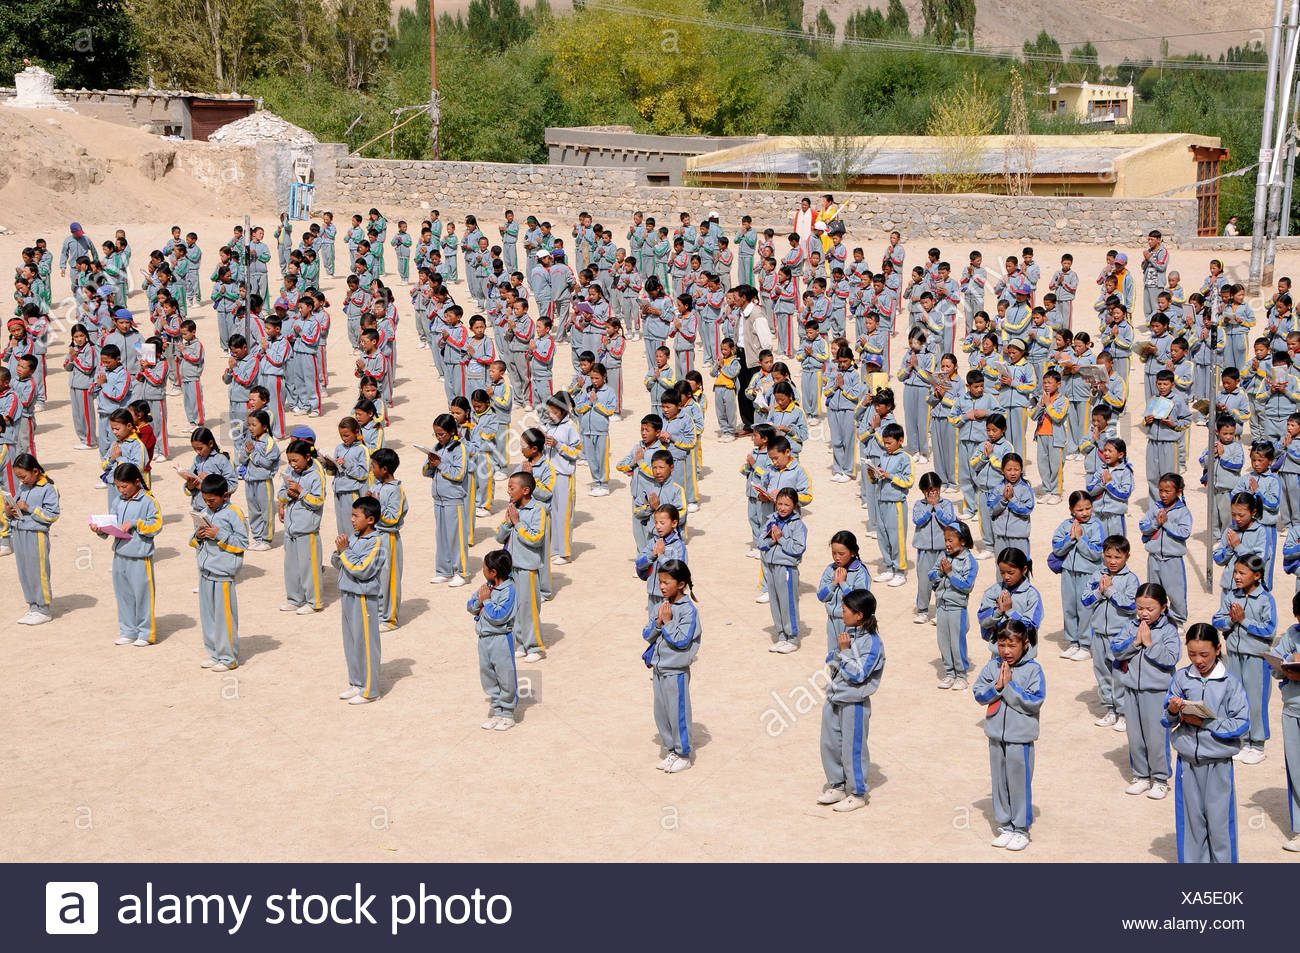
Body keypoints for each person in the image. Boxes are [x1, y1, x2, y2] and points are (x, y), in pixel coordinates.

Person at [1164, 623, 1251, 863]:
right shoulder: (1182, 677)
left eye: (1204, 654)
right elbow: (1167, 719)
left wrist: (1206, 723)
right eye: (1192, 654)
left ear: (1217, 649)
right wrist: (1173, 710)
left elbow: (1241, 723)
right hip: (1188, 762)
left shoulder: (1230, 683)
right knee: (1192, 822)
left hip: (1218, 764)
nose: (1198, 660)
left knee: (1219, 824)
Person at [814, 587, 885, 814]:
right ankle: (837, 785)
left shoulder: (873, 643)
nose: (841, 613)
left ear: (859, 615)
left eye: (845, 610)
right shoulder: (850, 633)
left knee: (852, 748)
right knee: (830, 743)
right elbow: (830, 657)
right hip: (835, 696)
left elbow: (858, 673)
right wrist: (840, 654)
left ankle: (857, 793)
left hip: (854, 702)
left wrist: (843, 653)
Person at [1112, 582, 1181, 799]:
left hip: (1157, 692)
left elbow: (1171, 659)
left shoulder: (1169, 630)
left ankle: (1160, 779)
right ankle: (1141, 775)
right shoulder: (1130, 626)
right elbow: (1116, 649)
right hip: (1132, 689)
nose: (1143, 613)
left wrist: (1150, 644)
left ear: (1163, 606)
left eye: (1150, 608)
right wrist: (1135, 642)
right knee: (1135, 736)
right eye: (1140, 607)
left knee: (1156, 737)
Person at [1212, 552, 1277, 765]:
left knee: (1256, 701)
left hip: (1257, 658)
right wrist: (1231, 621)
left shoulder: (1266, 599)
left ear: (1257, 575)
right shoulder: (1232, 596)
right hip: (1235, 656)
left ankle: (1258, 744)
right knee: (1236, 698)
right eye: (1235, 572)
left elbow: (1269, 629)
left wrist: (1244, 621)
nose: (1237, 577)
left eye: (1242, 573)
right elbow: (1217, 620)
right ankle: (1242, 739)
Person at [641, 558, 702, 773]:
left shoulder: (688, 611)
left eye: (667, 582)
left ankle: (683, 753)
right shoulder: (661, 605)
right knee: (662, 712)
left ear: (681, 584)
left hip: (676, 671)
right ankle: (671, 750)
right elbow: (646, 634)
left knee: (678, 713)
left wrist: (667, 622)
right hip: (659, 669)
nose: (662, 586)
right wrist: (658, 622)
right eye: (660, 582)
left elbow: (682, 640)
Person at [92, 463, 160, 646]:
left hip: (140, 557)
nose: (121, 491)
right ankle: (128, 630)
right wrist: (100, 529)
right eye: (118, 487)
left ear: (137, 482)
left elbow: (156, 525)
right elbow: (112, 526)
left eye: (124, 486)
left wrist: (136, 523)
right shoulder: (118, 501)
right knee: (123, 595)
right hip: (120, 555)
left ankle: (145, 633)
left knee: (143, 595)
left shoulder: (148, 500)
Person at [1080, 535, 1138, 730]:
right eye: (1108, 556)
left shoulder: (1131, 579)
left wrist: (1110, 592)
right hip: (1098, 635)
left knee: (1119, 675)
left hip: (1119, 636)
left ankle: (1123, 712)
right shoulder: (1097, 575)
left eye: (1117, 557)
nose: (1112, 561)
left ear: (1127, 557)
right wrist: (1099, 592)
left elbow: (1131, 606)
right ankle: (1110, 709)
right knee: (1102, 673)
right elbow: (1085, 600)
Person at [191, 472, 248, 672]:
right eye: (205, 500)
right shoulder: (203, 512)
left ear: (224, 495)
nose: (208, 504)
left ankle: (228, 657)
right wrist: (198, 536)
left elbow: (242, 543)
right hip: (205, 572)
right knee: (208, 617)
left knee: (224, 618)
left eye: (212, 500)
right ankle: (214, 653)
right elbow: (192, 541)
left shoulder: (234, 513)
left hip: (223, 574)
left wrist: (219, 534)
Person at [332, 495, 385, 705]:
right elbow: (339, 563)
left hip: (363, 597)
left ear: (370, 519)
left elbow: (362, 570)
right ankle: (356, 682)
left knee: (366, 643)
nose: (352, 519)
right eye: (352, 515)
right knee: (351, 641)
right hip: (347, 593)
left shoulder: (377, 543)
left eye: (356, 516)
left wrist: (344, 552)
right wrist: (340, 552)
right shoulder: (354, 537)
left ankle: (370, 690)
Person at [495, 470, 547, 662]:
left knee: (529, 607)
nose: (508, 491)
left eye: (511, 487)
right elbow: (499, 537)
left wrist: (517, 523)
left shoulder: (537, 511)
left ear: (525, 490)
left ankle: (535, 647)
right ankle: (522, 644)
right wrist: (508, 523)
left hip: (528, 568)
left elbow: (536, 538)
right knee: (515, 607)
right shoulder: (512, 508)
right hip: (511, 567)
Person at [468, 548, 518, 730]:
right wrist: (481, 601)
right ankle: (497, 711)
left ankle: (508, 713)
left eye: (484, 568)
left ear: (493, 572)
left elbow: (499, 616)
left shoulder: (509, 590)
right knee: (488, 675)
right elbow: (470, 605)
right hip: (484, 639)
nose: (482, 571)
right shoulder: (486, 587)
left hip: (501, 640)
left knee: (505, 676)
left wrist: (486, 602)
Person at [5, 453, 58, 624]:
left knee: (38, 571)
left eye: (24, 476)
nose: (22, 481)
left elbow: (52, 515)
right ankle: (33, 605)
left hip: (36, 535)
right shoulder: (23, 487)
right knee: (24, 571)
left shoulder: (48, 488)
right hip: (19, 531)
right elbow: (16, 505)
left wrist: (30, 508)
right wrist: (9, 512)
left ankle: (43, 608)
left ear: (35, 471)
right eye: (18, 477)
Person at [1051, 490, 1104, 660]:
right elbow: (1057, 548)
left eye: (1088, 508)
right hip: (1068, 572)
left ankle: (1086, 645)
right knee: (1069, 607)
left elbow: (1096, 553)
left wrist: (1081, 539)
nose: (1085, 513)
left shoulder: (1096, 526)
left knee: (1085, 608)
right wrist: (1070, 538)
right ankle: (1073, 642)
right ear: (1071, 510)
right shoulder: (1065, 526)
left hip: (1088, 574)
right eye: (1080, 510)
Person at [278, 438, 325, 614]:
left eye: (295, 460)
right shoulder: (290, 472)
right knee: (291, 567)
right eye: (290, 461)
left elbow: (318, 501)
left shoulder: (315, 476)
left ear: (307, 457)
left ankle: (314, 602)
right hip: (290, 529)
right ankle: (294, 599)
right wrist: (288, 494)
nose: (292, 464)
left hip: (307, 530)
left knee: (309, 567)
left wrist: (300, 491)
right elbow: (281, 495)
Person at [1140, 473, 1193, 626]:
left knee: (1175, 592)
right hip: (1154, 557)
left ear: (1178, 492)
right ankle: (1157, 618)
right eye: (1161, 490)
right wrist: (1156, 524)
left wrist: (1166, 524)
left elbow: (1184, 533)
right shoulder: (1155, 507)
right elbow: (1143, 525)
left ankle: (1178, 620)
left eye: (1167, 491)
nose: (1163, 494)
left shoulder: (1183, 511)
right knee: (1154, 591)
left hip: (1173, 559)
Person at [930, 520, 977, 690]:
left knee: (957, 643)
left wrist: (950, 573)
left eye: (951, 540)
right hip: (941, 606)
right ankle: (949, 673)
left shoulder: (969, 561)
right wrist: (939, 572)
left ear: (962, 541)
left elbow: (966, 586)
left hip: (957, 608)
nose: (947, 544)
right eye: (946, 540)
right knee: (943, 641)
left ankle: (961, 676)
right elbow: (931, 576)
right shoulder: (943, 557)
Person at [759, 487, 807, 654]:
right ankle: (781, 637)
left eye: (787, 504)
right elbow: (760, 542)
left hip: (786, 567)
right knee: (775, 602)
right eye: (779, 503)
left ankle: (792, 638)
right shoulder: (771, 519)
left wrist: (781, 539)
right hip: (771, 566)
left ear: (794, 505)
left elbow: (798, 548)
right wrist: (772, 542)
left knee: (788, 603)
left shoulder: (798, 525)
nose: (782, 508)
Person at [424, 413, 470, 587]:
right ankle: (444, 570)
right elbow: (425, 473)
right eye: (436, 434)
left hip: (454, 499)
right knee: (441, 536)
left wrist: (440, 464)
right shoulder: (437, 447)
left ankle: (461, 572)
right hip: (438, 500)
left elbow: (459, 474)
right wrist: (430, 463)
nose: (438, 437)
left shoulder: (460, 448)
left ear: (452, 431)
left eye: (441, 434)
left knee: (456, 537)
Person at [977, 548, 1043, 656]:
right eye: (1002, 572)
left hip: (1023, 657)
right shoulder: (993, 592)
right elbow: (983, 620)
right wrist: (998, 612)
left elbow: (1030, 627)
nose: (1006, 577)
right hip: (999, 655)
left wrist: (1010, 611)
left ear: (1024, 570)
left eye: (1010, 572)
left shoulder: (1032, 596)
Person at [912, 472, 956, 625]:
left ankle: (940, 611)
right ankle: (922, 611)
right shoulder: (919, 504)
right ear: (923, 491)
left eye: (935, 490)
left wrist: (936, 507)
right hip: (924, 550)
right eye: (929, 491)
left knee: (941, 582)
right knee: (924, 582)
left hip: (942, 550)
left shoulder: (946, 504)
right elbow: (917, 520)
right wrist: (928, 508)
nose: (932, 494)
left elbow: (949, 520)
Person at [371, 448, 407, 631]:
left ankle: (389, 618)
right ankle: (377, 614)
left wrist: (376, 507)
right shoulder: (376, 485)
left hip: (389, 538)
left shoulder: (396, 490)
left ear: (384, 469)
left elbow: (393, 518)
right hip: (374, 537)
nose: (371, 469)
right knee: (376, 577)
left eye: (374, 466)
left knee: (389, 578)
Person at [635, 504, 687, 618]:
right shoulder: (654, 542)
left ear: (674, 523)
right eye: (656, 522)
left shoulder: (678, 547)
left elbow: (677, 572)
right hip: (652, 594)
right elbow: (639, 563)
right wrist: (652, 554)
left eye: (662, 523)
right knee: (654, 625)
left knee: (666, 625)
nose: (658, 527)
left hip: (669, 597)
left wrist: (661, 555)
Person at [238, 410, 279, 551]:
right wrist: (247, 452)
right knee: (253, 510)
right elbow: (241, 459)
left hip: (263, 481)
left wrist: (253, 452)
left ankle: (266, 539)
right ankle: (257, 537)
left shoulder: (269, 442)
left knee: (266, 510)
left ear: (265, 426)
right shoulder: (250, 440)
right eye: (249, 425)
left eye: (254, 425)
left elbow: (267, 463)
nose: (250, 428)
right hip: (250, 481)